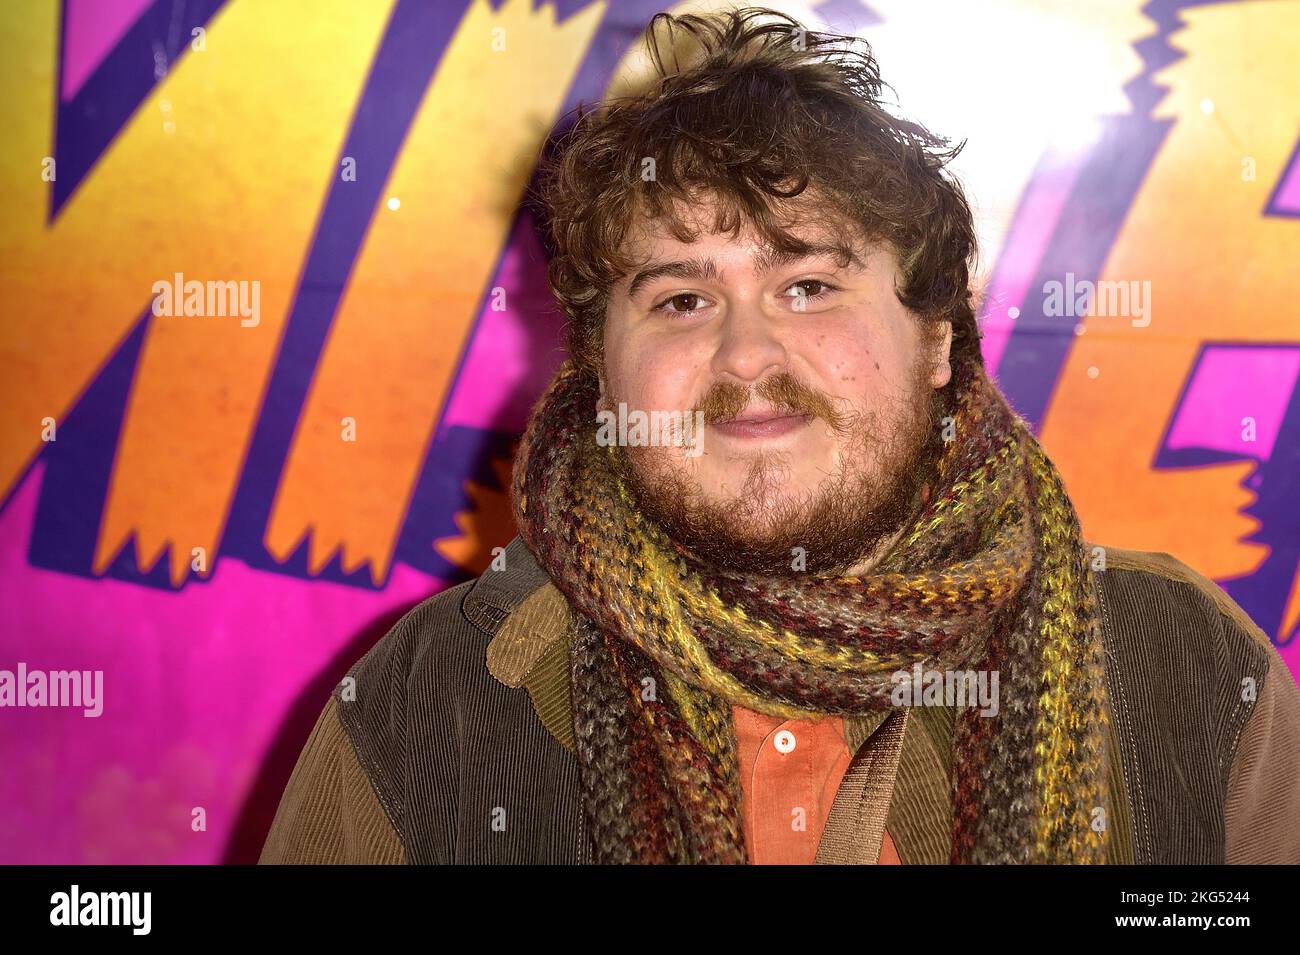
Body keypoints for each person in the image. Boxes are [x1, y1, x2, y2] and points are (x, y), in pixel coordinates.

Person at [259, 7, 1300, 865]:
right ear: (596, 367)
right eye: (678, 299)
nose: (747, 355)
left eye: (807, 284)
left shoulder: (1182, 667)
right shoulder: (429, 701)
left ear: (936, 337)